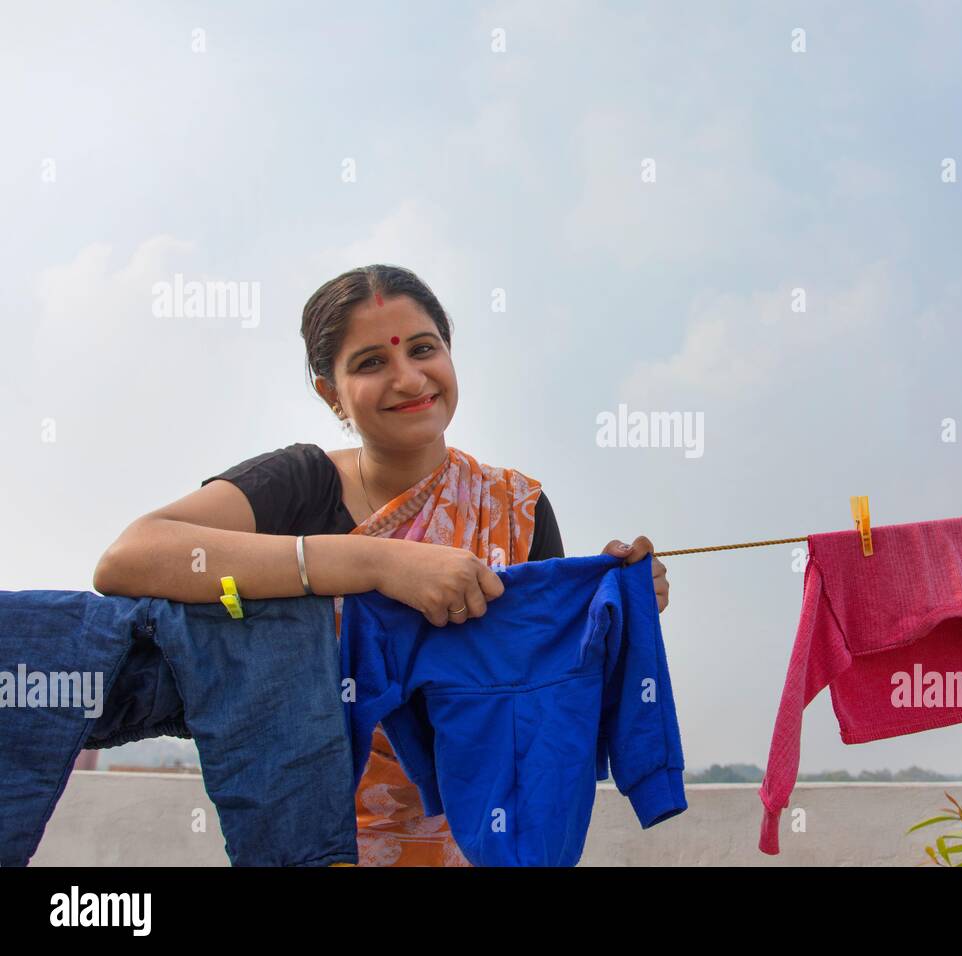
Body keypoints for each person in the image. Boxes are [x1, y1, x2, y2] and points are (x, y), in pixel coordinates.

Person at [94, 263, 671, 866]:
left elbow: (552, 691)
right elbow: (128, 558)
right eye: (371, 362)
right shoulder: (298, 484)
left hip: (481, 838)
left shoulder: (516, 508)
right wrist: (375, 562)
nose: (408, 378)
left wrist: (620, 608)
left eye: (424, 349)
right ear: (329, 392)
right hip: (312, 836)